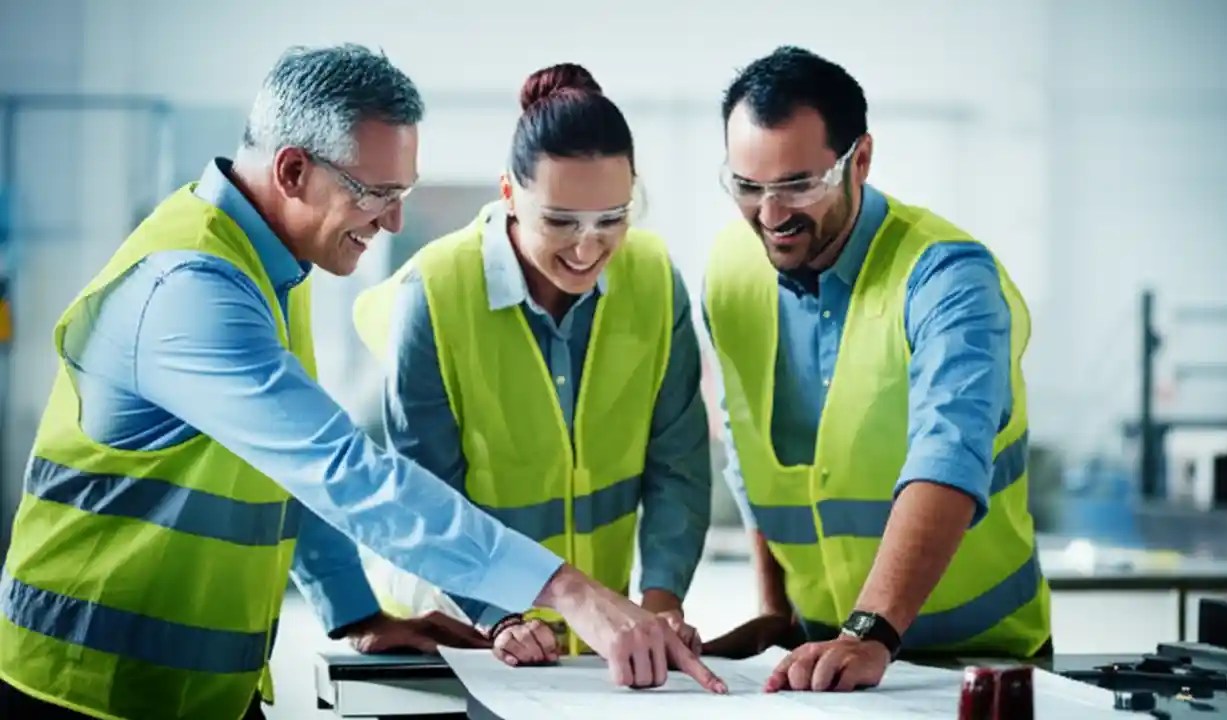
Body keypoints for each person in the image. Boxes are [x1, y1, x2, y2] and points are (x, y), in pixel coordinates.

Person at [0, 44, 724, 720]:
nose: (396, 220)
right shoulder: (194, 289)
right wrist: (566, 590)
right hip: (84, 685)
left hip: (196, 691)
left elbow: (292, 473)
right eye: (377, 194)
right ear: (292, 173)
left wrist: (356, 612)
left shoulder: (274, 269)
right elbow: (343, 470)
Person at [699, 46, 1051, 692]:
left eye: (799, 185)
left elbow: (950, 453)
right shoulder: (730, 269)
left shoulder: (948, 278)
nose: (771, 216)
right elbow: (751, 454)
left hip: (979, 666)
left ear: (859, 159)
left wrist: (871, 630)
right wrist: (775, 610)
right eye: (748, 187)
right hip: (827, 662)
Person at [351, 63, 712, 667]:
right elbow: (427, 496)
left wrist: (659, 604)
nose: (587, 247)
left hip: (594, 645)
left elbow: (678, 465)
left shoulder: (654, 280)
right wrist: (498, 614)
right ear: (509, 193)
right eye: (561, 221)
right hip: (452, 623)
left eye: (612, 218)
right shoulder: (436, 294)